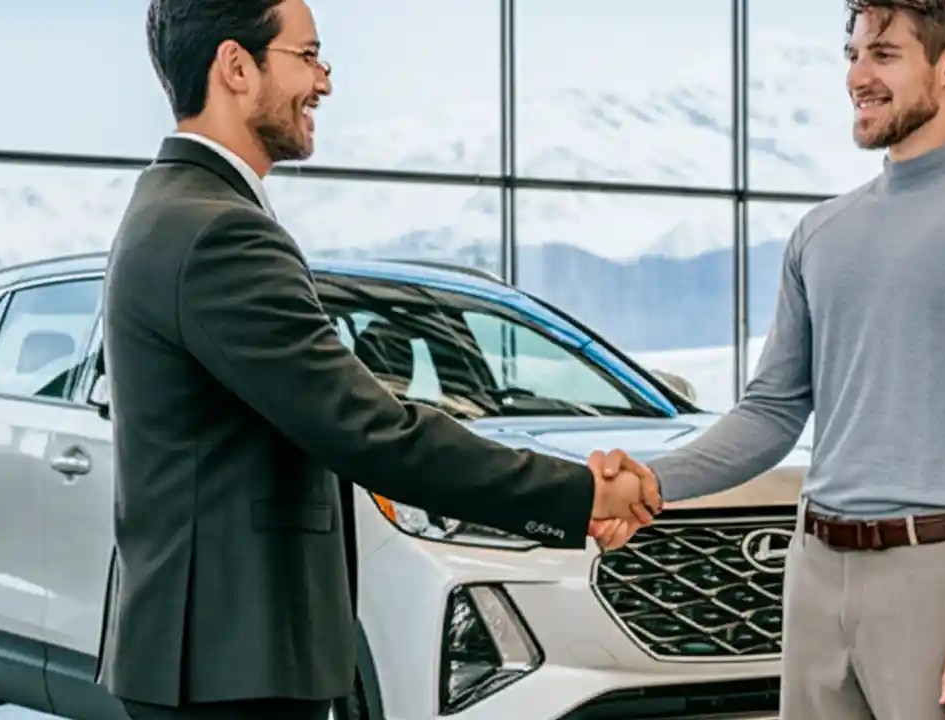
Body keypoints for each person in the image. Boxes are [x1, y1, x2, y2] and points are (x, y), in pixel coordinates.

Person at [95, 1, 660, 718]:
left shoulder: (176, 208)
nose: (324, 82)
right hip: (232, 663)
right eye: (308, 56)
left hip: (214, 652)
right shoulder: (218, 234)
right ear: (236, 66)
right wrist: (578, 495)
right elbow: (372, 431)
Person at [590, 1, 945, 719]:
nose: (857, 76)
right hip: (814, 571)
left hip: (941, 574)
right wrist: (652, 481)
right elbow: (771, 411)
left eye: (883, 55)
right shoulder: (820, 231)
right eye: (852, 55)